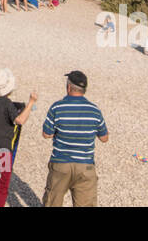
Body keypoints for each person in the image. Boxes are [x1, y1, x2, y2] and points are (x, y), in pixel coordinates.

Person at [41, 70, 108, 207]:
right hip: (85, 165)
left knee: (52, 202)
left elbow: (46, 134)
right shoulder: (94, 110)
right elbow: (104, 138)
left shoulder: (57, 107)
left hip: (61, 163)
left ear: (69, 87)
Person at [0, 69, 37, 207]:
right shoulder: (6, 104)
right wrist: (31, 102)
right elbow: (19, 120)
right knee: (2, 187)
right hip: (3, 151)